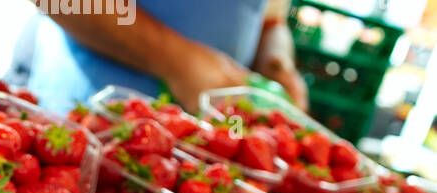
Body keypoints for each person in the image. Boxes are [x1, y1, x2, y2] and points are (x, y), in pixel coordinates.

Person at [25, 0, 309, 113]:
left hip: (201, 157)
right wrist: (177, 61)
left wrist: (276, 60)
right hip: (85, 113)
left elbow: (271, 17)